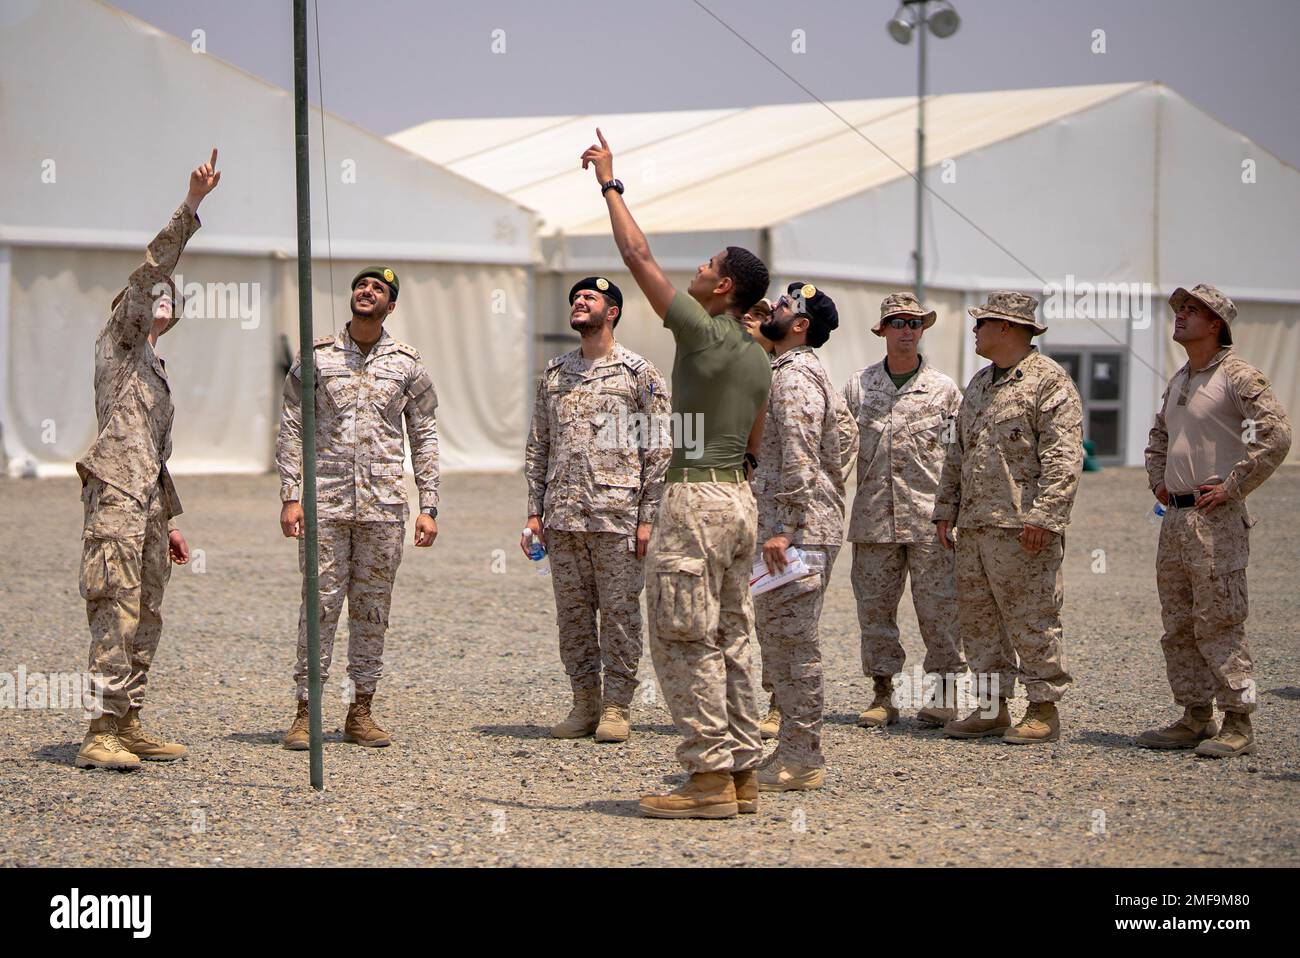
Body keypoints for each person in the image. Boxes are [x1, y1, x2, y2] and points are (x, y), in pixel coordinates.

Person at [581, 128, 771, 819]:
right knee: (733, 636)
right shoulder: (756, 356)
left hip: (695, 498)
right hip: (739, 497)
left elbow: (636, 254)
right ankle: (743, 773)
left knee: (684, 635)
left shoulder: (706, 329)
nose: (695, 268)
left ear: (722, 287)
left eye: (708, 264)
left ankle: (708, 782)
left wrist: (609, 181)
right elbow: (755, 439)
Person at [74, 150, 221, 771]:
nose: (163, 294)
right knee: (116, 600)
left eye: (171, 296)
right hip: (114, 496)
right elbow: (153, 267)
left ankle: (130, 719)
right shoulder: (123, 338)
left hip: (148, 504)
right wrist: (190, 207)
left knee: (149, 606)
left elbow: (153, 453)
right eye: (153, 292)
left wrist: (172, 518)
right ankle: (100, 731)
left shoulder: (155, 370)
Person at [276, 266, 440, 750]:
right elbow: (292, 425)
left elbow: (424, 434)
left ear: (391, 306)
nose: (367, 292)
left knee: (372, 612)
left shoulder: (408, 364)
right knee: (319, 607)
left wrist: (428, 503)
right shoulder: (317, 357)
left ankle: (360, 711)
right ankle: (306, 713)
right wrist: (291, 494)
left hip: (383, 506)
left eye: (379, 290)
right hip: (324, 503)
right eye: (362, 286)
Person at [1139, 284, 1291, 757]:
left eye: (1193, 311)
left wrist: (1234, 485)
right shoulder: (1181, 377)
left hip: (1215, 520)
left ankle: (1238, 721)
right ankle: (1195, 715)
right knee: (1179, 625)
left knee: (1220, 621)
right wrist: (1157, 478)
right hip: (1176, 518)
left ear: (1216, 324)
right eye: (1180, 309)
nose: (1181, 316)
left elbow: (1277, 434)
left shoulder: (1238, 376)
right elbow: (1159, 433)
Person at [523, 276, 670, 743]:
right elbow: (538, 446)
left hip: (618, 517)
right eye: (575, 298)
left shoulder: (638, 373)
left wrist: (649, 518)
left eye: (590, 297)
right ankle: (583, 702)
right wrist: (533, 513)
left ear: (613, 312)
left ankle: (616, 707)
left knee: (621, 613)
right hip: (564, 517)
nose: (579, 302)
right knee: (573, 614)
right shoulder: (554, 372)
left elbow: (659, 449)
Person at [933, 291, 1083, 744]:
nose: (974, 331)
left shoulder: (1048, 383)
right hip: (977, 525)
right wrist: (946, 509)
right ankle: (991, 707)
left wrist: (1047, 518)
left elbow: (1063, 457)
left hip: (1023, 528)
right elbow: (957, 452)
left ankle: (1042, 709)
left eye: (982, 324)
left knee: (1031, 617)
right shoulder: (979, 383)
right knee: (978, 621)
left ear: (1007, 328)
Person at [750, 283, 855, 791]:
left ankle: (803, 757)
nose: (774, 307)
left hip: (795, 535)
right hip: (793, 529)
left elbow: (800, 454)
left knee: (794, 646)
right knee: (781, 642)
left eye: (786, 306)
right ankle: (792, 748)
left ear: (800, 326)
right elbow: (848, 437)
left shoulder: (795, 380)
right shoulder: (795, 373)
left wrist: (786, 526)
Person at [844, 293, 964, 730]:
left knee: (940, 612)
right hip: (874, 520)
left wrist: (953, 511)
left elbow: (958, 455)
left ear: (923, 329)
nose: (906, 330)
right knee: (875, 613)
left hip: (930, 520)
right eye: (897, 322)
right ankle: (882, 694)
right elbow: (838, 447)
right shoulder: (858, 387)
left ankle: (946, 695)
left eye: (914, 323)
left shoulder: (944, 390)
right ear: (882, 331)